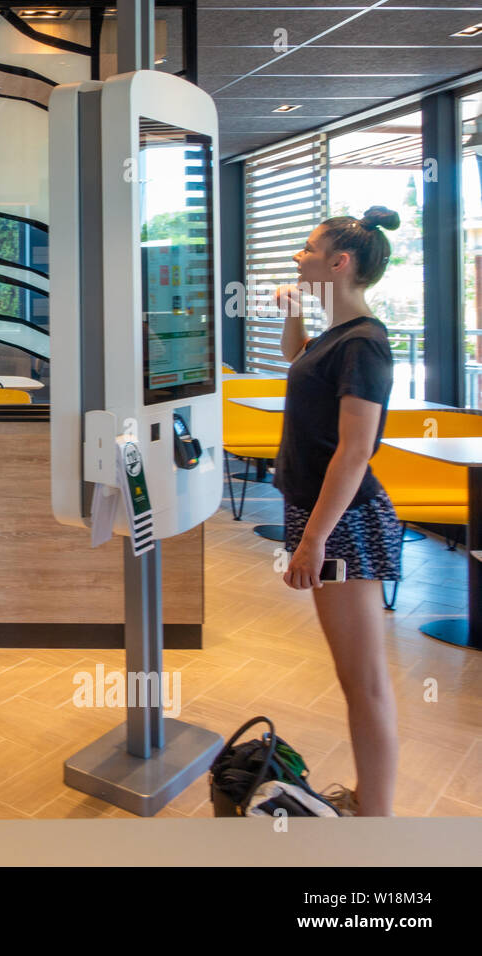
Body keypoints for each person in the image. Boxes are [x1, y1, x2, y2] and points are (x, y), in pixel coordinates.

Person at [275, 205, 402, 817]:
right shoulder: (335, 335)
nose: (298, 257)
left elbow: (354, 454)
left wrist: (312, 541)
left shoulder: (366, 344)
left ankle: (374, 815)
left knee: (364, 681)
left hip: (345, 522)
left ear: (339, 261)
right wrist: (294, 312)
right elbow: (298, 361)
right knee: (355, 676)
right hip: (325, 516)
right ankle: (366, 802)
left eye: (307, 248)